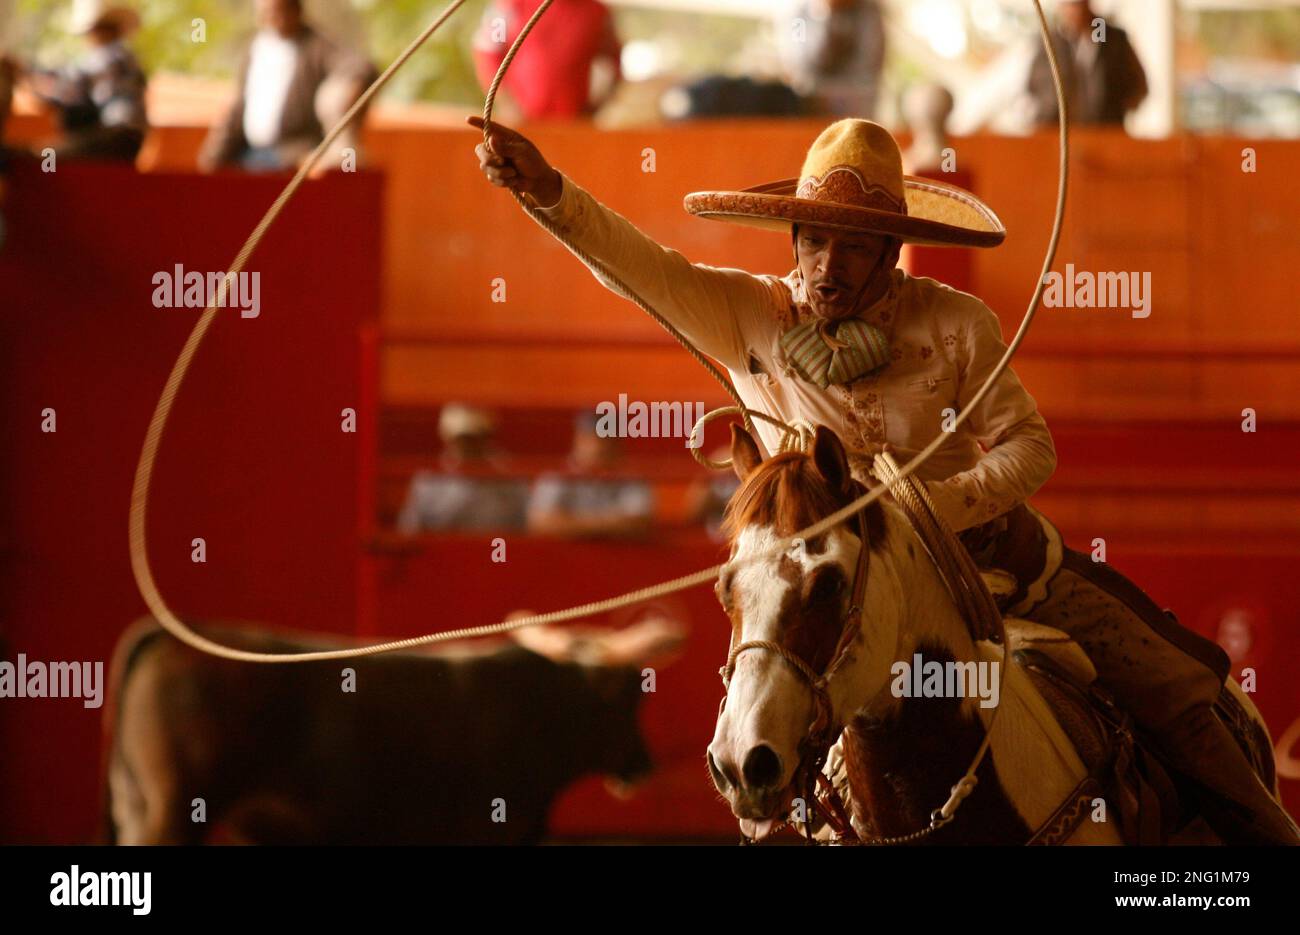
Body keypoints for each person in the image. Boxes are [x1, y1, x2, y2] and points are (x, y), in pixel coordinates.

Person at [464, 112, 1300, 844]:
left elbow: (1029, 448)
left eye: (855, 245)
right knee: (772, 725)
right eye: (816, 240)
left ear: (890, 251)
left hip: (996, 573)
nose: (828, 265)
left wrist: (920, 507)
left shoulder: (954, 324)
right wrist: (546, 190)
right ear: (792, 239)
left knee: (1180, 694)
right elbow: (639, 266)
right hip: (827, 603)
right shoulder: (747, 316)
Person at [199, 0, 376, 173]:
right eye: (266, 11)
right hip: (250, 156)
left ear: (296, 9)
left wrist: (337, 95)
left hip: (293, 158)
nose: (273, 17)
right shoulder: (255, 47)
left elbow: (360, 67)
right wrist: (215, 155)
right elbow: (240, 105)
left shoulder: (317, 46)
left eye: (279, 10)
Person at [13, 0, 147, 162]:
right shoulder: (123, 57)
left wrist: (26, 78)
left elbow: (68, 89)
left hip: (116, 136)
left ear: (95, 31)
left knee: (44, 157)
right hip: (126, 138)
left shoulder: (107, 57)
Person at [471, 0, 620, 121]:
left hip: (572, 123)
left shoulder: (597, 13)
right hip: (520, 122)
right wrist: (507, 103)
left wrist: (597, 106)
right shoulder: (508, 6)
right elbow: (488, 52)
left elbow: (613, 61)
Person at [396, 403, 528, 533]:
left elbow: (524, 533)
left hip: (495, 553)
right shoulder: (429, 480)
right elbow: (409, 533)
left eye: (475, 438)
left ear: (488, 437)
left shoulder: (510, 480)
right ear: (447, 438)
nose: (469, 446)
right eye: (462, 439)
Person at [526, 411, 654, 540]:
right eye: (589, 438)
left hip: (616, 557)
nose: (597, 446)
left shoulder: (632, 479)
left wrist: (571, 523)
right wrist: (610, 524)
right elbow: (542, 523)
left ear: (617, 444)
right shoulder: (556, 476)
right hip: (565, 557)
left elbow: (638, 524)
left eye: (607, 439)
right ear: (578, 440)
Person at [1026, 0, 1147, 128]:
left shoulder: (1112, 39)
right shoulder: (1051, 40)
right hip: (1059, 130)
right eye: (1070, 6)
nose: (1075, 11)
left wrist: (1119, 107)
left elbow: (1138, 85)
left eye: (1079, 5)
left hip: (1106, 129)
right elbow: (1033, 85)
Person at [773, 0, 885, 119]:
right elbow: (800, 64)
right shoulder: (798, 16)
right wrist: (827, 14)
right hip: (810, 108)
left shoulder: (868, 11)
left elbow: (869, 66)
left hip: (857, 108)